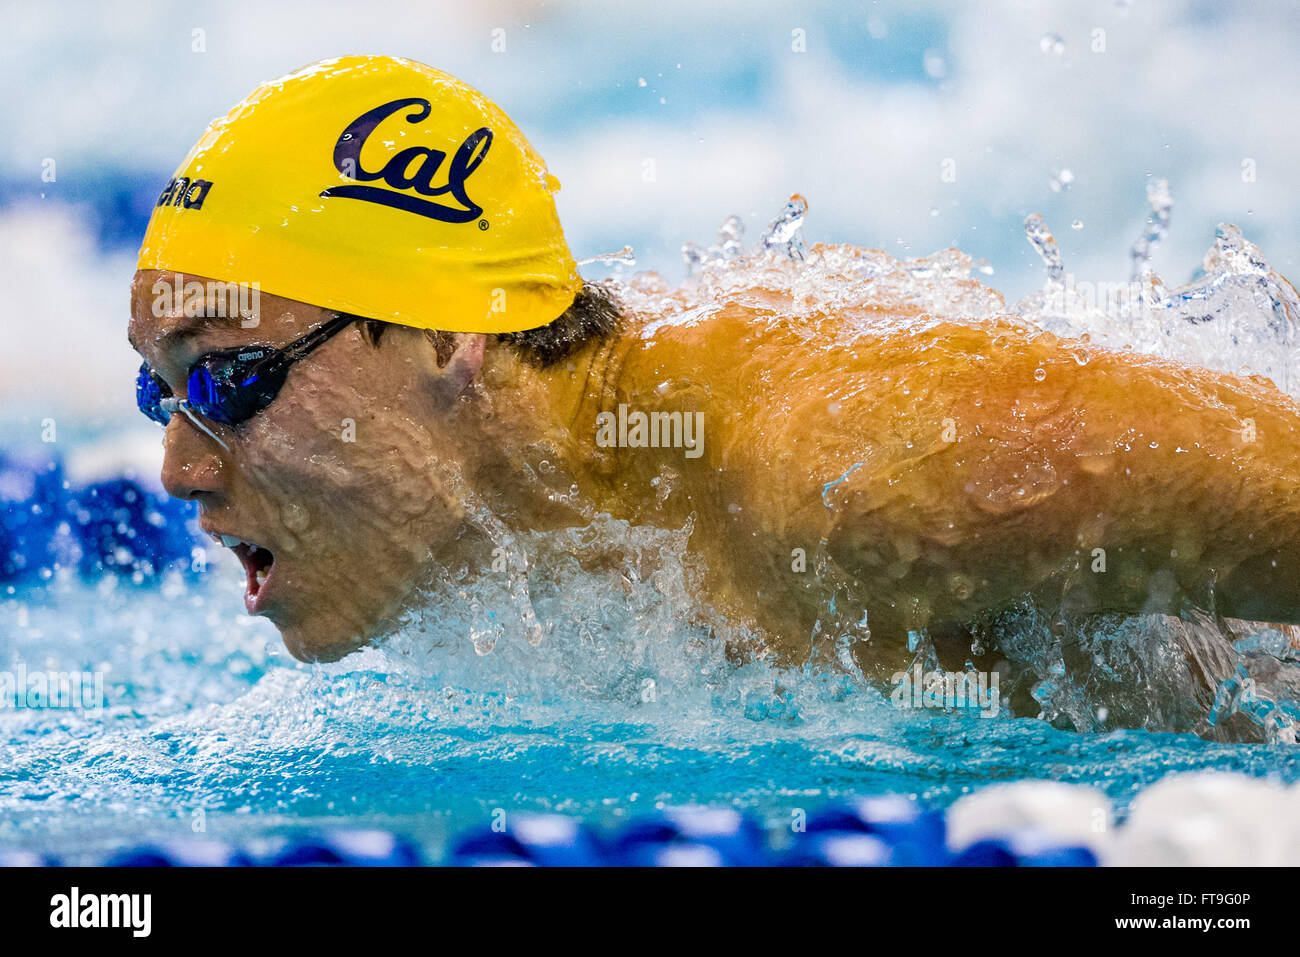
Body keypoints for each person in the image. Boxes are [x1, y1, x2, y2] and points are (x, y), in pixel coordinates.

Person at [129, 55, 1300, 671]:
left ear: (450, 336)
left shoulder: (866, 476)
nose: (180, 468)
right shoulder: (500, 536)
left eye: (232, 379)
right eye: (161, 390)